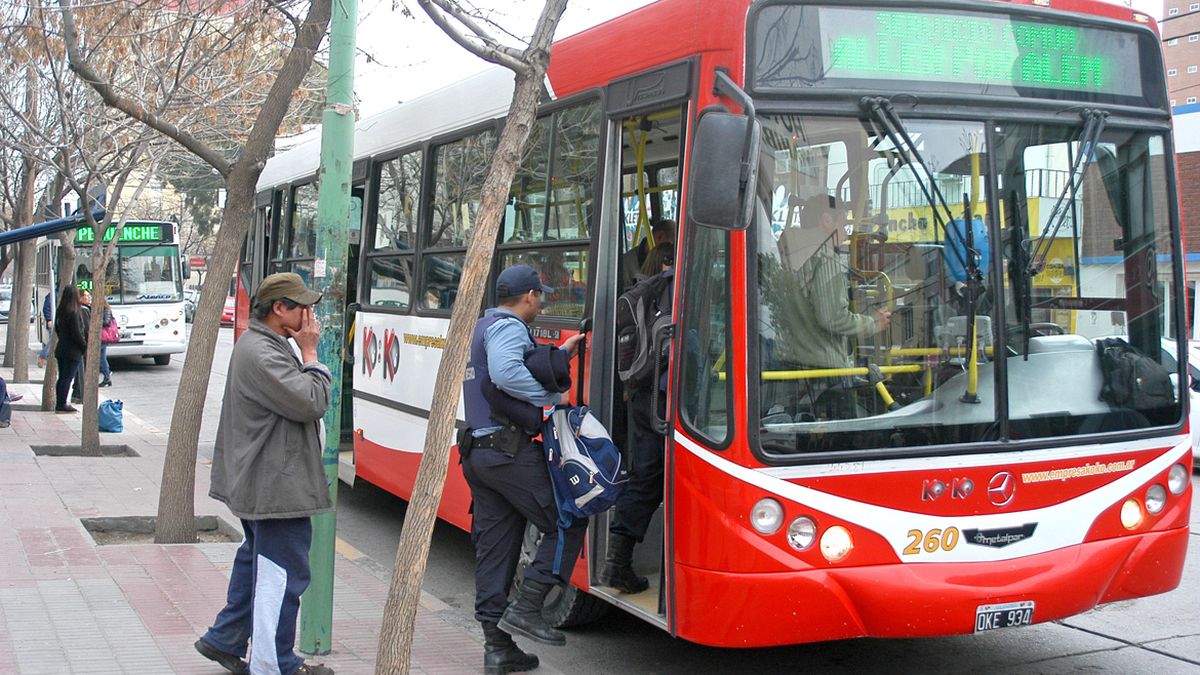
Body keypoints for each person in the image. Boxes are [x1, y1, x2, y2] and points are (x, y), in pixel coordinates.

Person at [195, 272, 334, 675]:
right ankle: (275, 663)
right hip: (275, 484)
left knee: (257, 564)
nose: (310, 315)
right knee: (281, 573)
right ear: (279, 308)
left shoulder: (263, 344)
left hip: (266, 479)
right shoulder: (262, 351)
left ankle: (225, 639)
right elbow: (311, 400)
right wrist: (311, 354)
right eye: (301, 306)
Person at [460, 263, 586, 674]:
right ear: (529, 296)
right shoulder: (508, 327)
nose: (543, 301)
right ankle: (528, 607)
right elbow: (506, 371)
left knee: (496, 550)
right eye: (541, 295)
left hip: (480, 454)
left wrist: (557, 357)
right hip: (509, 453)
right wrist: (551, 397)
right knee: (567, 519)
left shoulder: (481, 325)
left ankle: (497, 648)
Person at [765, 194, 892, 418]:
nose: (845, 234)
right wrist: (872, 323)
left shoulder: (782, 253)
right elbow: (832, 318)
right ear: (826, 221)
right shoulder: (825, 259)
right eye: (843, 224)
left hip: (788, 361)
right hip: (825, 369)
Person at [600, 249, 674, 594]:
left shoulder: (650, 289)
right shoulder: (677, 288)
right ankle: (620, 563)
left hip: (645, 394)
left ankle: (618, 561)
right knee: (658, 477)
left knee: (645, 476)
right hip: (665, 399)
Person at [53, 286, 87, 413]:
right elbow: (77, 333)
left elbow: (57, 329)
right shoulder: (73, 313)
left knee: (62, 377)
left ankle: (59, 402)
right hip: (72, 351)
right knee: (67, 377)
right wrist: (84, 346)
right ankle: (62, 404)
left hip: (61, 348)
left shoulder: (60, 311)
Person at [38, 291, 52, 368]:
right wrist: (49, 319)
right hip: (54, 322)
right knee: (52, 342)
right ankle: (42, 357)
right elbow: (46, 308)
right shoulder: (51, 295)